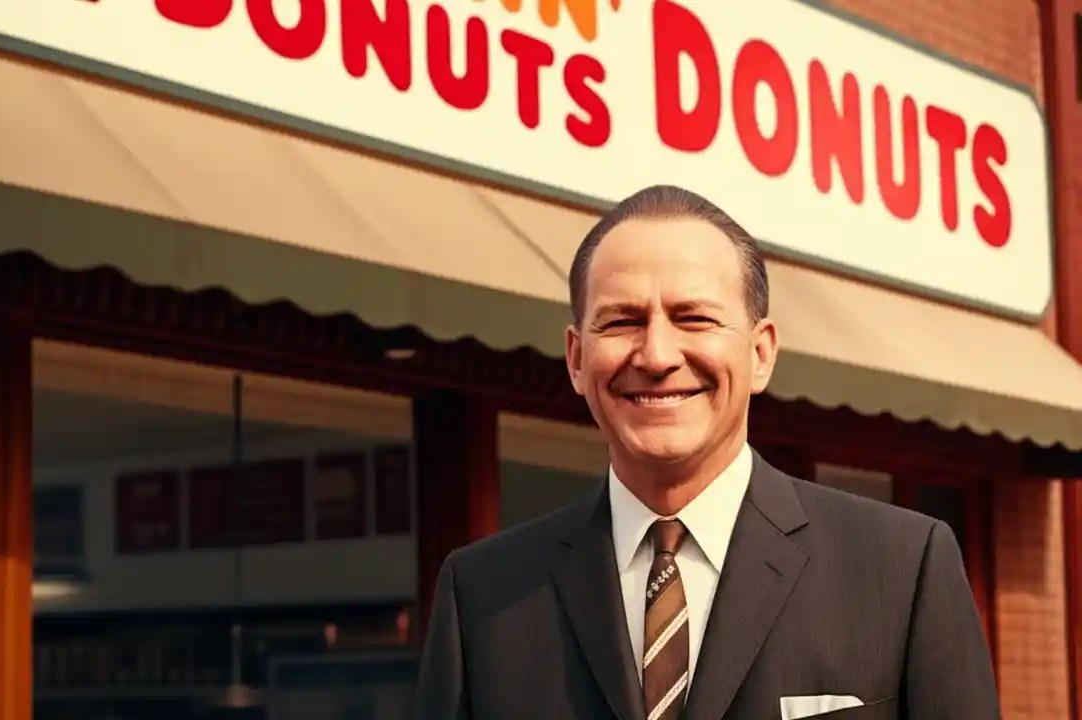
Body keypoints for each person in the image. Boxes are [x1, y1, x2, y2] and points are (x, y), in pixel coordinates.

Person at [413, 185, 999, 720]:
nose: (657, 354)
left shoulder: (900, 569)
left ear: (761, 353)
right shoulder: (484, 597)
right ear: (574, 357)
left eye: (694, 318)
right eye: (621, 321)